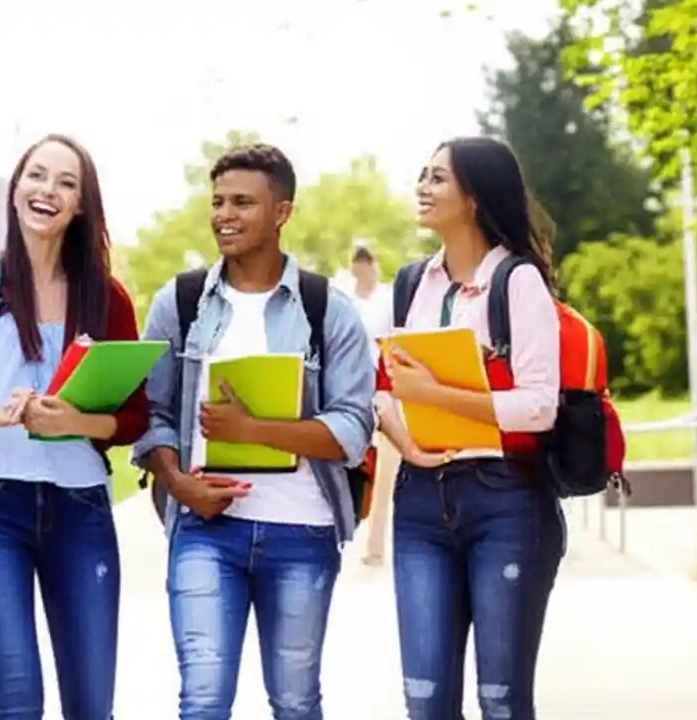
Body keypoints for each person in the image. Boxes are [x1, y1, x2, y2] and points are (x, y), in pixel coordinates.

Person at [0, 134, 148, 719]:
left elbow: (135, 417)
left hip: (81, 509)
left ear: (82, 206)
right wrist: (0, 415)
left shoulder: (108, 298)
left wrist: (72, 420)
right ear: (16, 189)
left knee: (91, 707)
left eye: (67, 183)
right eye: (37, 176)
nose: (48, 191)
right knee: (17, 702)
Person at [134, 143, 375, 720]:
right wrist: (178, 482)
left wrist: (255, 429)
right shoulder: (182, 301)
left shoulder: (325, 309)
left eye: (243, 202)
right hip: (205, 532)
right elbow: (150, 412)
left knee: (295, 702)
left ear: (282, 212)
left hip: (302, 532)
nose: (225, 214)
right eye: (218, 201)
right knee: (202, 701)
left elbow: (352, 427)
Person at [376, 136, 565, 720]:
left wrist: (437, 395)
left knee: (501, 701)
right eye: (422, 175)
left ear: (475, 198)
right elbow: (378, 388)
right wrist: (403, 437)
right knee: (426, 702)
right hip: (420, 504)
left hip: (504, 500)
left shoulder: (518, 281)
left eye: (437, 178)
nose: (422, 187)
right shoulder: (412, 283)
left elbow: (540, 406)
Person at [345, 244, 401, 567]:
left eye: (368, 262)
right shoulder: (346, 300)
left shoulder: (387, 299)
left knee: (386, 469)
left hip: (386, 390)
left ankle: (376, 546)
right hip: (352, 390)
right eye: (359, 263)